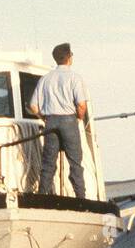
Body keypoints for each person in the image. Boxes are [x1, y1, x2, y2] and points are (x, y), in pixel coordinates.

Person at [27, 42, 90, 200]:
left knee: (48, 162)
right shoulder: (75, 78)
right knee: (75, 162)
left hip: (51, 121)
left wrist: (45, 117)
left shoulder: (46, 78)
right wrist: (78, 118)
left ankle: (42, 197)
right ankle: (80, 198)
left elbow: (33, 106)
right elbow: (81, 105)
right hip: (69, 120)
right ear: (69, 57)